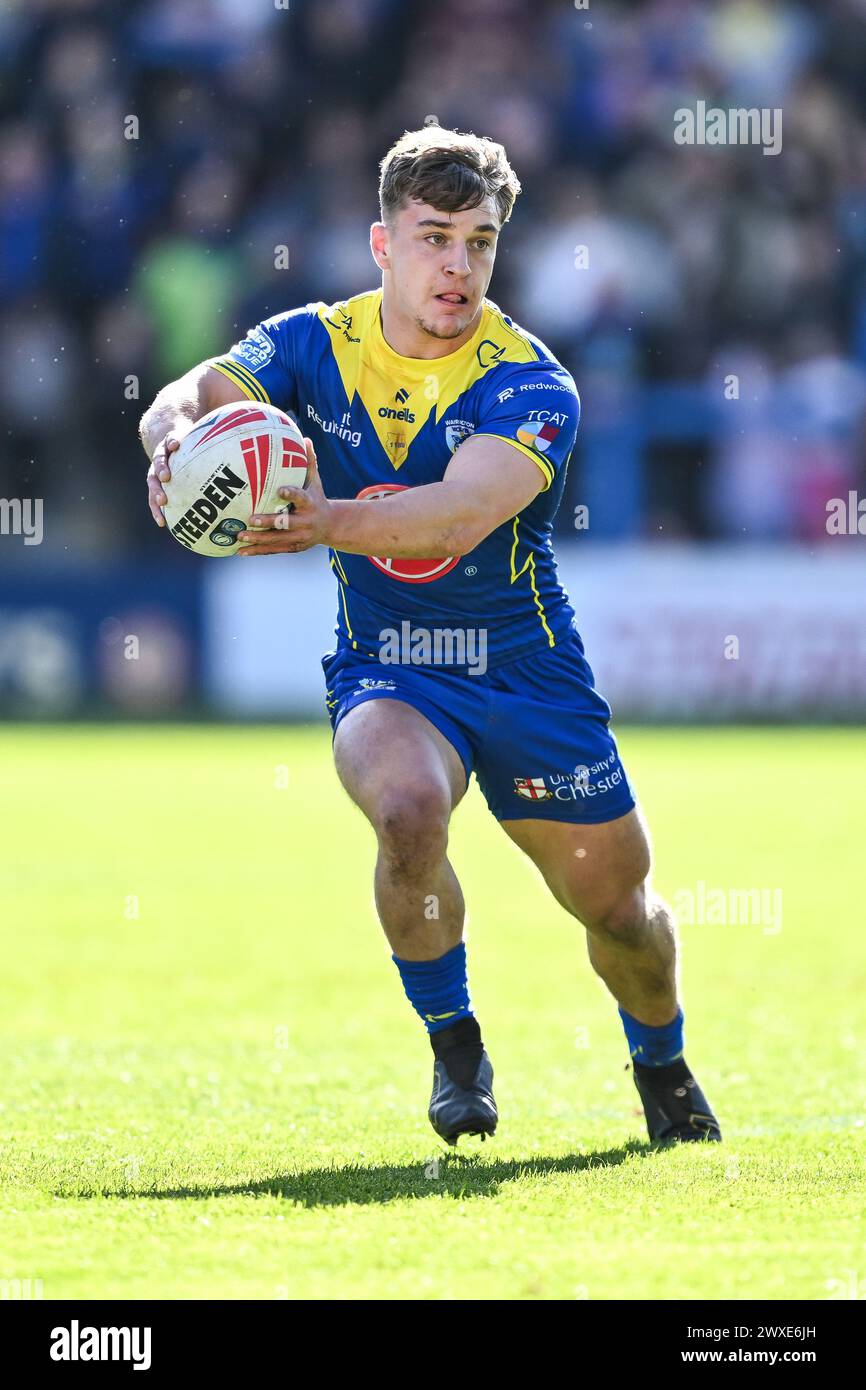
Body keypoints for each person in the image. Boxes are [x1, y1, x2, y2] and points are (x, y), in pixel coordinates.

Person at [140, 126, 720, 1147]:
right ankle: (454, 1044)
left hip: (529, 674)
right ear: (382, 244)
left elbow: (455, 515)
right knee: (405, 809)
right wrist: (172, 444)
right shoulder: (315, 341)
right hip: (391, 667)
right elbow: (190, 392)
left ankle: (659, 1058)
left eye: (480, 242)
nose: (457, 265)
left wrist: (318, 521)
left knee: (618, 912)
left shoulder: (531, 383)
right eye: (434, 237)